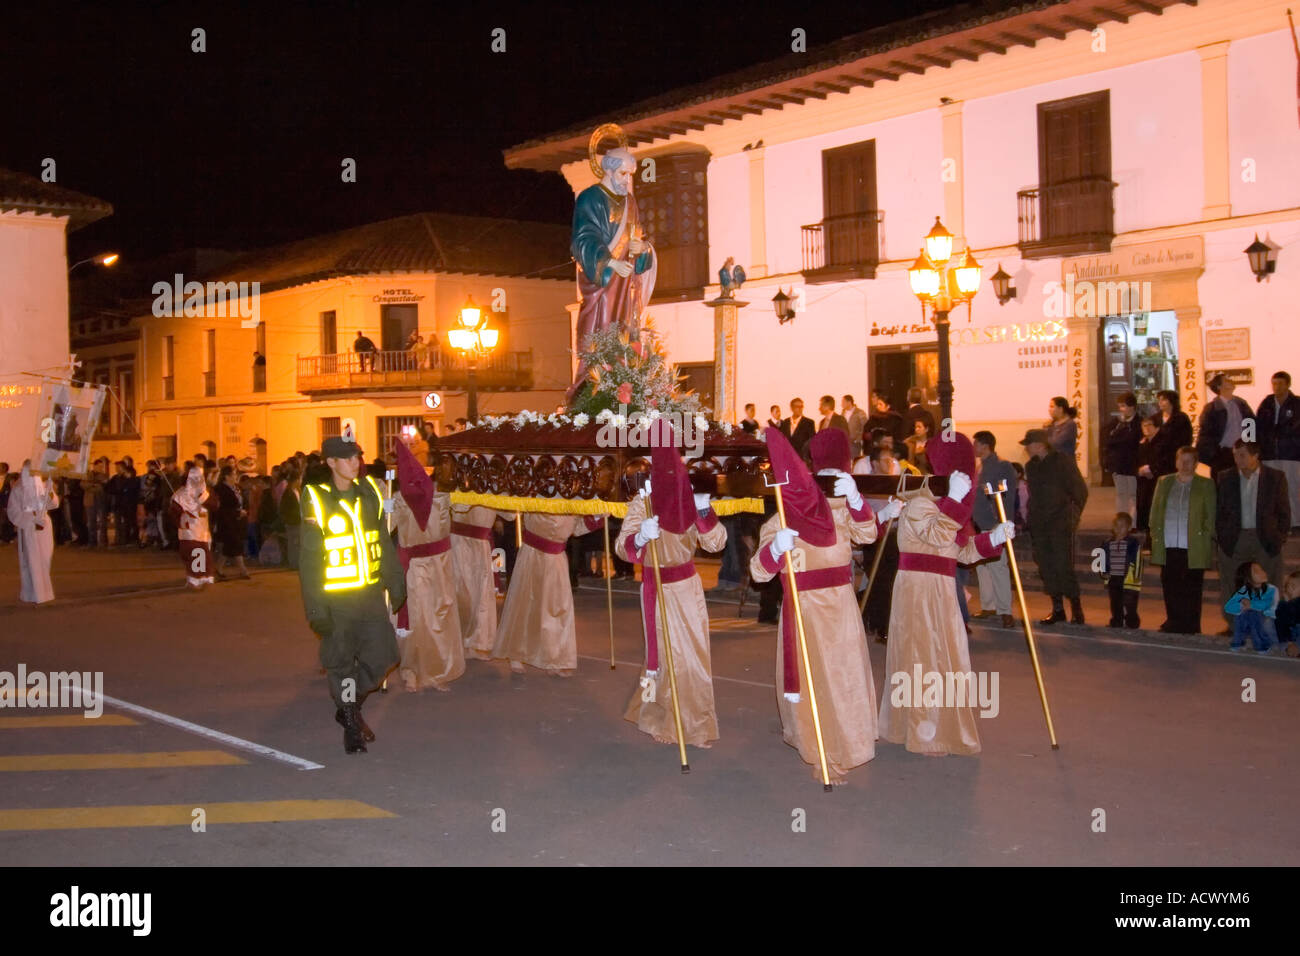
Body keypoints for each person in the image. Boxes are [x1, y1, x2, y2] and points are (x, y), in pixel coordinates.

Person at [749, 429, 880, 783]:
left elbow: (868, 534)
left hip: (842, 606)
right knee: (817, 682)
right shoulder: (784, 513)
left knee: (845, 679)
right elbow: (759, 572)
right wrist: (775, 549)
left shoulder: (840, 507)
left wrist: (855, 499)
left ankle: (849, 742)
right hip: (806, 610)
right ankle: (822, 750)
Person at [877, 432, 1014, 756]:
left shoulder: (939, 503)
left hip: (941, 589)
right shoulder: (919, 502)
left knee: (949, 659)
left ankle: (944, 728)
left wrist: (993, 538)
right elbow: (936, 532)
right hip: (918, 590)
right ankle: (922, 731)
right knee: (922, 658)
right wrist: (953, 500)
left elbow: (960, 550)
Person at [618, 423, 727, 749]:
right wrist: (640, 536)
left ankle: (694, 724)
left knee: (692, 657)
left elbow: (716, 542)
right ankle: (655, 715)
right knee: (662, 656)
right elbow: (622, 546)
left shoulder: (689, 499)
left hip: (687, 588)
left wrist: (705, 509)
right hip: (655, 588)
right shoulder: (643, 503)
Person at [299, 435, 406, 754]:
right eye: (347, 458)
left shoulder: (372, 491)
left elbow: (383, 541)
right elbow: (309, 560)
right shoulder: (315, 498)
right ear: (331, 463)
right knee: (341, 663)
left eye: (357, 457)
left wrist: (396, 581)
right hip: (337, 599)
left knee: (385, 655)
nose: (355, 462)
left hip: (370, 593)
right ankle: (350, 720)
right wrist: (316, 609)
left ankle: (349, 705)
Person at [569, 145, 656, 396]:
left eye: (630, 175)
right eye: (623, 175)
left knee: (623, 329)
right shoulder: (589, 198)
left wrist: (642, 248)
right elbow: (583, 238)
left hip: (626, 280)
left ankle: (621, 378)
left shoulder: (630, 201)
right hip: (602, 282)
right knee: (601, 326)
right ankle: (593, 381)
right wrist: (609, 262)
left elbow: (637, 234)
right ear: (608, 170)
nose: (627, 181)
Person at [493, 507, 604, 675]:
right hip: (532, 555)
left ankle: (554, 658)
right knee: (525, 606)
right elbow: (509, 511)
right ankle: (517, 653)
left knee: (557, 609)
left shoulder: (574, 490)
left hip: (557, 557)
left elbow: (577, 527)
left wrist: (597, 515)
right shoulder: (535, 483)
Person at [391, 440, 464, 692]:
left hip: (437, 566)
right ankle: (411, 670)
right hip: (415, 568)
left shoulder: (440, 499)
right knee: (416, 619)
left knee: (437, 616)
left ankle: (436, 670)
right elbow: (386, 524)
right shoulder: (399, 501)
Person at [1216, 440, 1291, 630]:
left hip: (1265, 537)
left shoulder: (1274, 477)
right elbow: (1220, 510)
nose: (1238, 459)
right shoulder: (1225, 477)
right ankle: (1234, 624)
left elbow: (1283, 511)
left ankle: (1269, 624)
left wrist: (1279, 536)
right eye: (1235, 455)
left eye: (1242, 455)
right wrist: (1222, 535)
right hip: (1235, 537)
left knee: (1270, 582)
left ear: (1255, 455)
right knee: (1231, 581)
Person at [1022, 428, 1088, 625]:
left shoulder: (1062, 462)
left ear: (1041, 444)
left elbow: (1079, 491)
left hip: (1060, 521)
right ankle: (1057, 607)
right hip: (1040, 523)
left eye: (1029, 444)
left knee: (1063, 564)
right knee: (1046, 565)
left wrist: (1073, 517)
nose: (1026, 448)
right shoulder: (1031, 466)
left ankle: (1076, 607)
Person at [1149, 446, 1216, 634]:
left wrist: (1206, 534)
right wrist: (1155, 534)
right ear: (1176, 461)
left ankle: (1191, 623)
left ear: (1195, 464)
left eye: (1189, 461)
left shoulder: (1205, 484)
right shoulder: (1164, 482)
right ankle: (1173, 620)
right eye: (1181, 460)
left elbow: (1210, 515)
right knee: (1170, 582)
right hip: (1169, 541)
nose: (1185, 465)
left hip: (1193, 543)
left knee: (1192, 585)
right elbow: (1155, 511)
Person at [971, 431, 1018, 628]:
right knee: (983, 566)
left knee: (998, 566)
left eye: (976, 444)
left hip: (994, 522)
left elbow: (1006, 495)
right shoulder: (980, 467)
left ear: (985, 445)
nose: (974, 448)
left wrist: (1002, 520)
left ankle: (1005, 609)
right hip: (980, 523)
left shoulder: (1001, 466)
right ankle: (988, 605)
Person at [450, 499, 499, 661]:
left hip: (479, 545)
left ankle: (477, 642)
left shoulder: (493, 486)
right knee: (460, 593)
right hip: (458, 543)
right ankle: (457, 640)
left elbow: (511, 514)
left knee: (480, 594)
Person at [7, 462, 58, 604]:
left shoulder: (44, 485)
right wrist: (30, 519)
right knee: (31, 561)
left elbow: (54, 504)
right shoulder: (18, 489)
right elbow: (13, 511)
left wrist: (50, 494)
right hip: (29, 527)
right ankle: (32, 594)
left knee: (44, 559)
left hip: (44, 527)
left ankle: (45, 593)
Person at [1256, 371, 1300, 527]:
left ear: (1288, 385)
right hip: (1268, 454)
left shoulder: (1297, 404)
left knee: (1292, 490)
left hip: (1291, 455)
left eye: (1280, 383)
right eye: (1274, 383)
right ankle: (1274, 523)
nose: (1276, 387)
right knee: (1271, 490)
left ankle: (1294, 523)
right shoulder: (1266, 403)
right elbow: (1258, 427)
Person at [170, 465, 216, 589]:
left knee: (202, 553)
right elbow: (173, 512)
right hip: (189, 531)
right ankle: (195, 579)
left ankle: (202, 578)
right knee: (193, 552)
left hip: (203, 530)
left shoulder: (205, 493)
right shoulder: (180, 495)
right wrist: (180, 520)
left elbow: (214, 505)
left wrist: (202, 498)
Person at [1197, 374, 1253, 477]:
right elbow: (1205, 435)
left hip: (1243, 451)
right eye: (1227, 380)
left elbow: (1251, 426)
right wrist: (1213, 456)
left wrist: (1252, 448)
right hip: (1223, 454)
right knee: (1223, 487)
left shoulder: (1242, 404)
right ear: (1219, 386)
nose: (1231, 380)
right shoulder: (1212, 408)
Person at [1102, 392, 1142, 522]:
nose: (1121, 409)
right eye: (1119, 406)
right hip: (1118, 464)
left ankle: (1133, 521)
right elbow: (1107, 438)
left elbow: (1130, 440)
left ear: (1132, 407)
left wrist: (1117, 439)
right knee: (1121, 494)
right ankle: (1121, 521)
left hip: (1132, 463)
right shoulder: (1117, 422)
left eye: (1124, 406)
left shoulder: (1139, 422)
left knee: (1133, 495)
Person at [1099, 513, 1142, 629]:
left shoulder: (1133, 543)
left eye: (1122, 526)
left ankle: (1132, 621)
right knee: (1115, 601)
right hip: (1113, 577)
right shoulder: (1107, 543)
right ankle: (1117, 621)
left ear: (1129, 528)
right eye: (1116, 525)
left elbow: (1138, 559)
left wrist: (1137, 575)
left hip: (1128, 577)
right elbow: (1103, 559)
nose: (1118, 529)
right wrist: (1104, 572)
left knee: (1130, 602)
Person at [1225, 561, 1279, 653]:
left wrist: (1251, 605)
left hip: (1269, 622)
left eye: (1262, 569)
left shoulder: (1272, 589)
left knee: (1254, 613)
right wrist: (1241, 605)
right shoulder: (1244, 590)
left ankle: (1263, 644)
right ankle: (1239, 641)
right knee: (1241, 615)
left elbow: (1265, 605)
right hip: (1254, 622)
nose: (1262, 572)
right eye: (1257, 571)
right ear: (1248, 577)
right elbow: (1228, 607)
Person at [212, 466, 250, 580]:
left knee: (229, 547)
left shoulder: (235, 488)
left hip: (236, 521)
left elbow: (240, 501)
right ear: (227, 476)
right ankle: (243, 570)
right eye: (233, 474)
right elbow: (225, 508)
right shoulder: (222, 489)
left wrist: (242, 511)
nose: (235, 477)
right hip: (227, 521)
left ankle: (218, 568)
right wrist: (238, 512)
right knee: (235, 543)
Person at [1149, 390, 1193, 478]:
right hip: (1157, 460)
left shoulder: (1181, 418)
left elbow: (1186, 439)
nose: (1160, 403)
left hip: (1174, 458)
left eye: (1164, 400)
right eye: (1159, 400)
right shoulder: (1154, 418)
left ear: (1172, 401)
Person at [1135, 417, 1161, 534]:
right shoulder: (1141, 443)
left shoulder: (1161, 443)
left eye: (1149, 425)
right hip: (1143, 481)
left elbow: (1164, 461)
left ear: (1157, 428)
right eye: (1144, 426)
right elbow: (1135, 460)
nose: (1146, 428)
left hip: (1157, 479)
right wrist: (1139, 470)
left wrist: (1152, 470)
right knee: (1143, 506)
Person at [1276, 571, 1300, 657]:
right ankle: (1289, 647)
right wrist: (1285, 604)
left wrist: (1290, 603)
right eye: (1287, 586)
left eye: (1293, 586)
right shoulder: (1284, 603)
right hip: (1288, 636)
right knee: (1270, 623)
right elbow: (1280, 622)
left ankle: (1295, 647)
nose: (1289, 589)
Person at [842, 395, 868, 459]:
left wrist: (858, 439)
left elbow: (865, 426)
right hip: (844, 443)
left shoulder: (860, 412)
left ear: (849, 402)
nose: (842, 404)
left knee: (854, 461)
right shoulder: (843, 413)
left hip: (855, 444)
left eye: (843, 402)